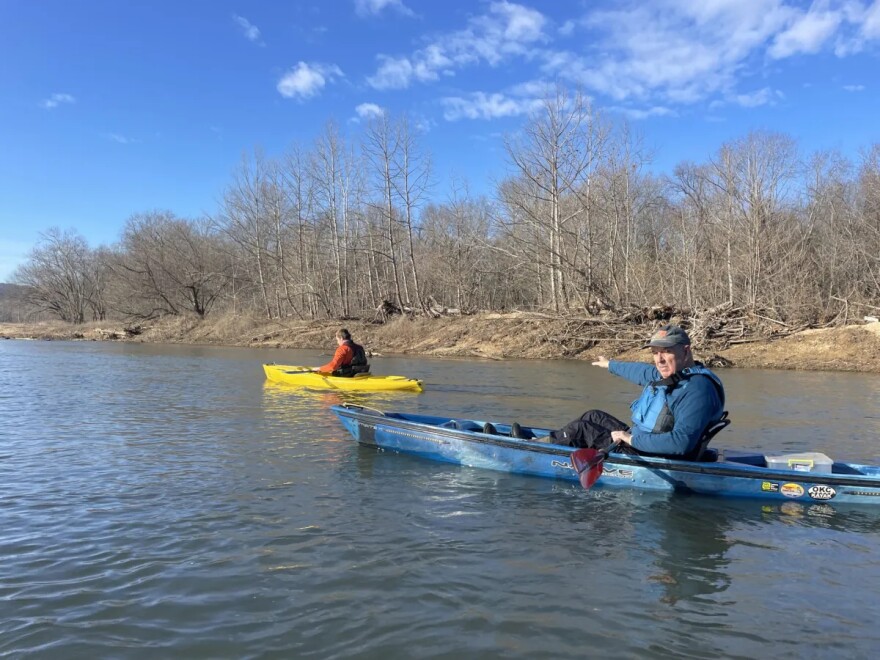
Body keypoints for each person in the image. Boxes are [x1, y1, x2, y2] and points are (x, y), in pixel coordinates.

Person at [538, 324, 725, 458]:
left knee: (583, 429)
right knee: (593, 416)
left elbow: (681, 443)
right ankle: (550, 441)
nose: (659, 359)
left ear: (685, 351)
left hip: (653, 454)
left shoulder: (698, 390)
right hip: (641, 442)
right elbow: (640, 372)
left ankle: (535, 448)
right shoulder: (675, 375)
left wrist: (630, 439)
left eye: (666, 351)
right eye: (654, 352)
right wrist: (609, 364)